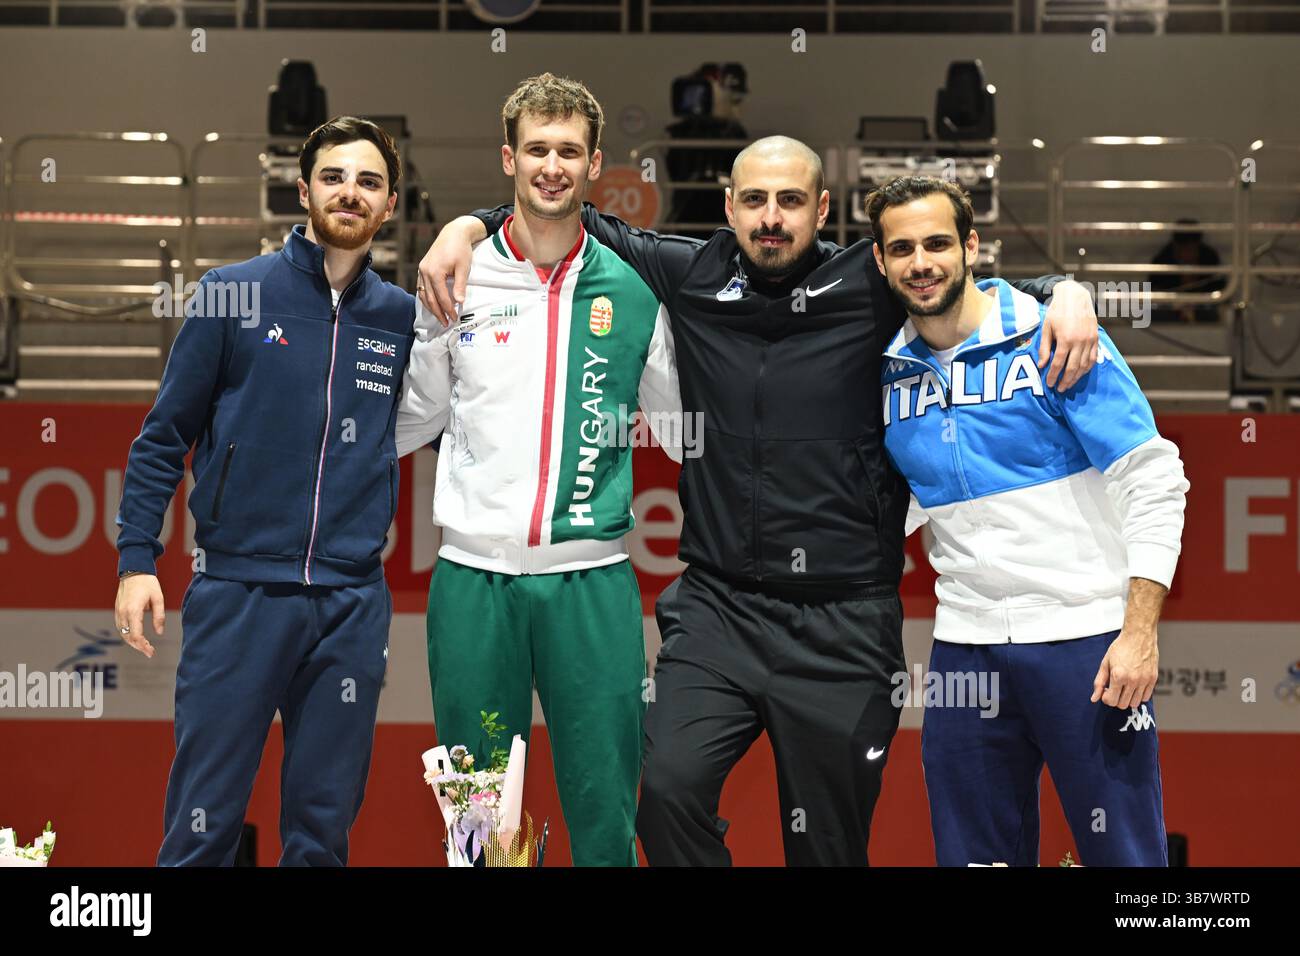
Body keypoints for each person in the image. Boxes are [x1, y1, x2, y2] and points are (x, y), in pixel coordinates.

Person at [418, 134, 1100, 866]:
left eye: (790, 201)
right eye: (754, 201)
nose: (771, 218)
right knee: (666, 797)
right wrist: (467, 226)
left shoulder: (871, 285)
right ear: (728, 207)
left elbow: (965, 283)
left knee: (828, 850)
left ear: (823, 208)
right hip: (720, 611)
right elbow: (557, 205)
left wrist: (1066, 291)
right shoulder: (691, 271)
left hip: (844, 625)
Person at [393, 74, 682, 867]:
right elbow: (411, 420)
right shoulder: (457, 277)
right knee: (478, 828)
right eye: (536, 151)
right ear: (508, 159)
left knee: (604, 815)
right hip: (472, 579)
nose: (551, 166)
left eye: (568, 152)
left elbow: (685, 432)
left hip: (592, 582)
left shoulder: (633, 291)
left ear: (595, 164)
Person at [114, 116, 414, 866]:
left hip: (350, 604)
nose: (351, 192)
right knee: (201, 827)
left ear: (391, 204)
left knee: (322, 832)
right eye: (336, 176)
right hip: (239, 594)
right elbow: (161, 438)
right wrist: (135, 559)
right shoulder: (230, 294)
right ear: (304, 187)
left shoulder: (401, 318)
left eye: (369, 182)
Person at [870, 175, 1188, 866]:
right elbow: (907, 500)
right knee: (974, 859)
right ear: (879, 261)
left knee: (1126, 861)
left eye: (936, 243)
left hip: (1087, 644)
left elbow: (1153, 477)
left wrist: (1138, 633)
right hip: (965, 648)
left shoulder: (1055, 336)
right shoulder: (886, 370)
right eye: (901, 248)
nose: (920, 262)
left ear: (972, 246)